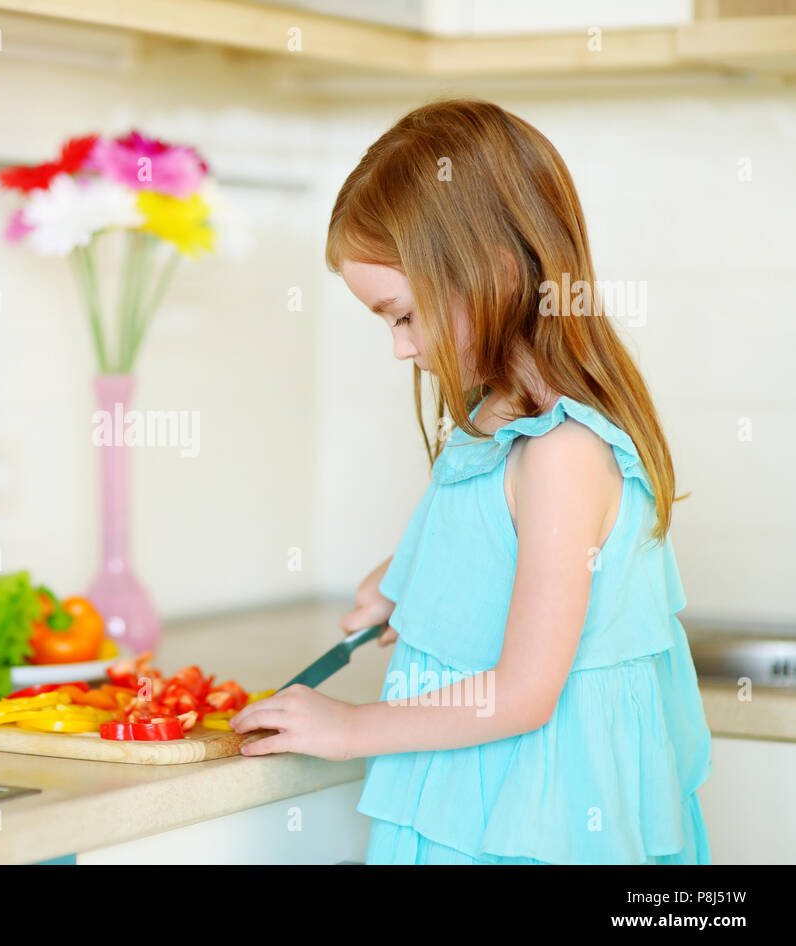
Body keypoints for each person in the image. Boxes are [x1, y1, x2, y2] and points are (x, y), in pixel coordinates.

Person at [230, 99, 712, 865]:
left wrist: (347, 725)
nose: (398, 348)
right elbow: (488, 538)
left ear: (488, 270)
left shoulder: (564, 454)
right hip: (472, 797)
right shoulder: (493, 419)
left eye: (403, 316)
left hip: (532, 823)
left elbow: (523, 691)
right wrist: (406, 581)